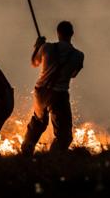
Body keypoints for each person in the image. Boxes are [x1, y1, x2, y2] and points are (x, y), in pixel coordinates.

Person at [21, 21, 85, 155]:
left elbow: (34, 62)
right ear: (72, 34)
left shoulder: (46, 47)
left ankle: (26, 151)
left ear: (58, 33)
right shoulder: (78, 55)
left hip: (40, 91)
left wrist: (37, 46)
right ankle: (54, 158)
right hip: (59, 94)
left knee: (38, 122)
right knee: (63, 135)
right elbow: (73, 75)